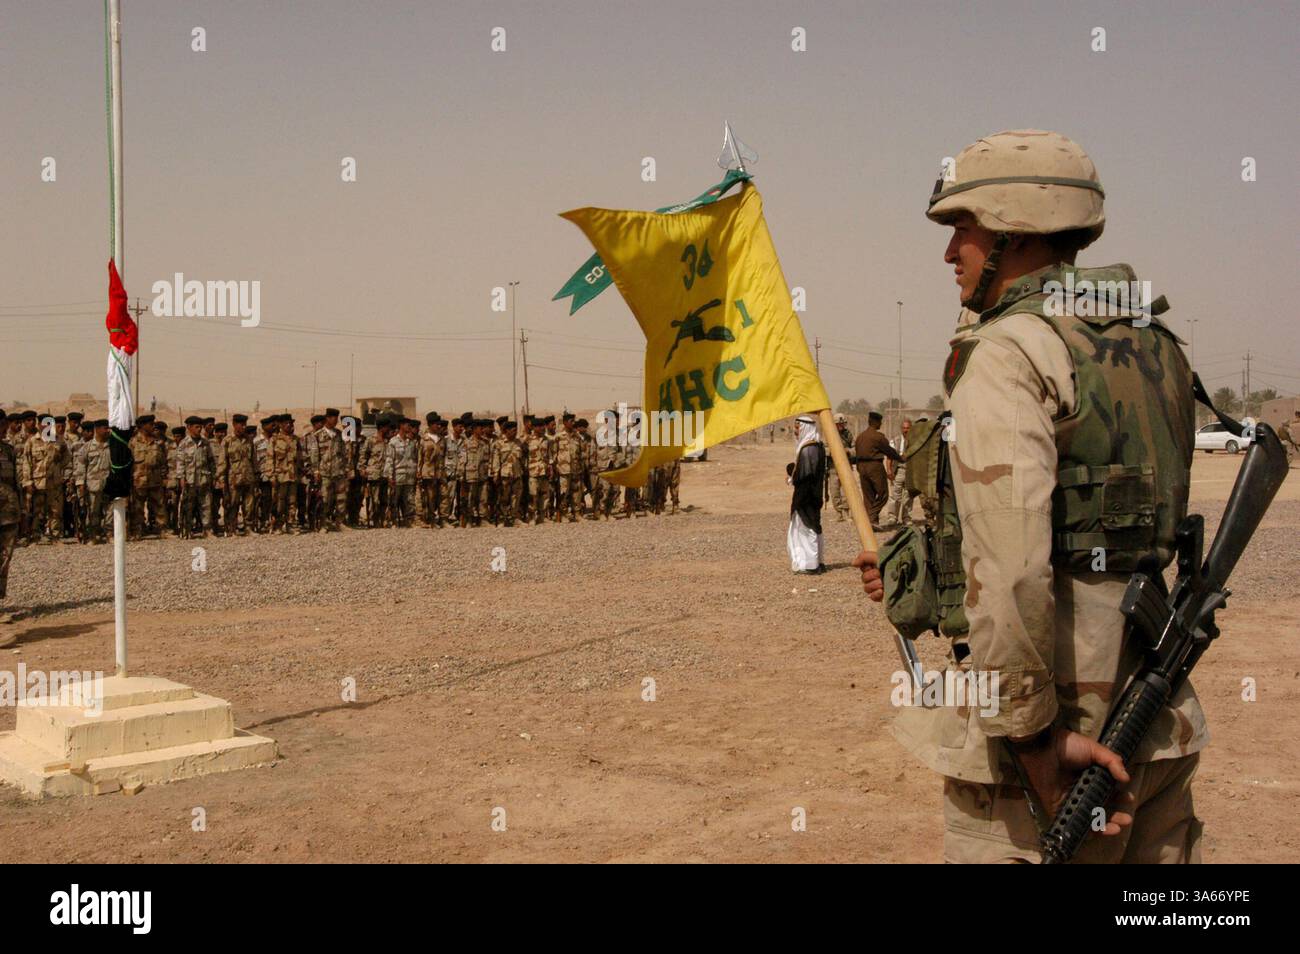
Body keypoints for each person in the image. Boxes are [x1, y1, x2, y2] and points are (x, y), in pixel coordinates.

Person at [854, 129, 1202, 863]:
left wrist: (1036, 746)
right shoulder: (1157, 343)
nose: (951, 254)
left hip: (1060, 734)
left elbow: (1012, 568)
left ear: (1012, 231)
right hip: (1154, 712)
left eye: (963, 231)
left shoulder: (1011, 352)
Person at [787, 414, 826, 574]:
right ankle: (816, 561)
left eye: (798, 428)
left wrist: (792, 476)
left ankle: (810, 565)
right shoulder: (816, 446)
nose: (796, 431)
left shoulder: (809, 449)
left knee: (807, 528)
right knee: (813, 526)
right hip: (813, 494)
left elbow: (805, 475)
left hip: (806, 495)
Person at [853, 411, 901, 528]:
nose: (881, 424)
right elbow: (889, 451)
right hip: (875, 467)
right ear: (876, 422)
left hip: (862, 467)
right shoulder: (878, 437)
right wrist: (901, 458)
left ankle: (872, 522)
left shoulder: (860, 437)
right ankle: (871, 516)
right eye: (880, 422)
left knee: (868, 496)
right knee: (883, 494)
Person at [882, 418, 920, 528]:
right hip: (898, 470)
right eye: (904, 428)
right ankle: (892, 517)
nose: (906, 430)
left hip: (910, 471)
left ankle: (906, 517)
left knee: (908, 495)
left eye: (908, 428)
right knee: (895, 495)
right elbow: (889, 457)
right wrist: (889, 470)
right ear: (901, 429)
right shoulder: (895, 441)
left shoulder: (916, 441)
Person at [826, 413, 854, 522]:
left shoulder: (848, 434)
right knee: (834, 491)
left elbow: (855, 449)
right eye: (839, 424)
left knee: (846, 491)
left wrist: (848, 451)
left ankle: (846, 512)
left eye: (843, 424)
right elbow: (824, 449)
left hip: (846, 465)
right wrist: (833, 451)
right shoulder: (829, 434)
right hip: (833, 467)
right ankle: (839, 513)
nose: (841, 426)